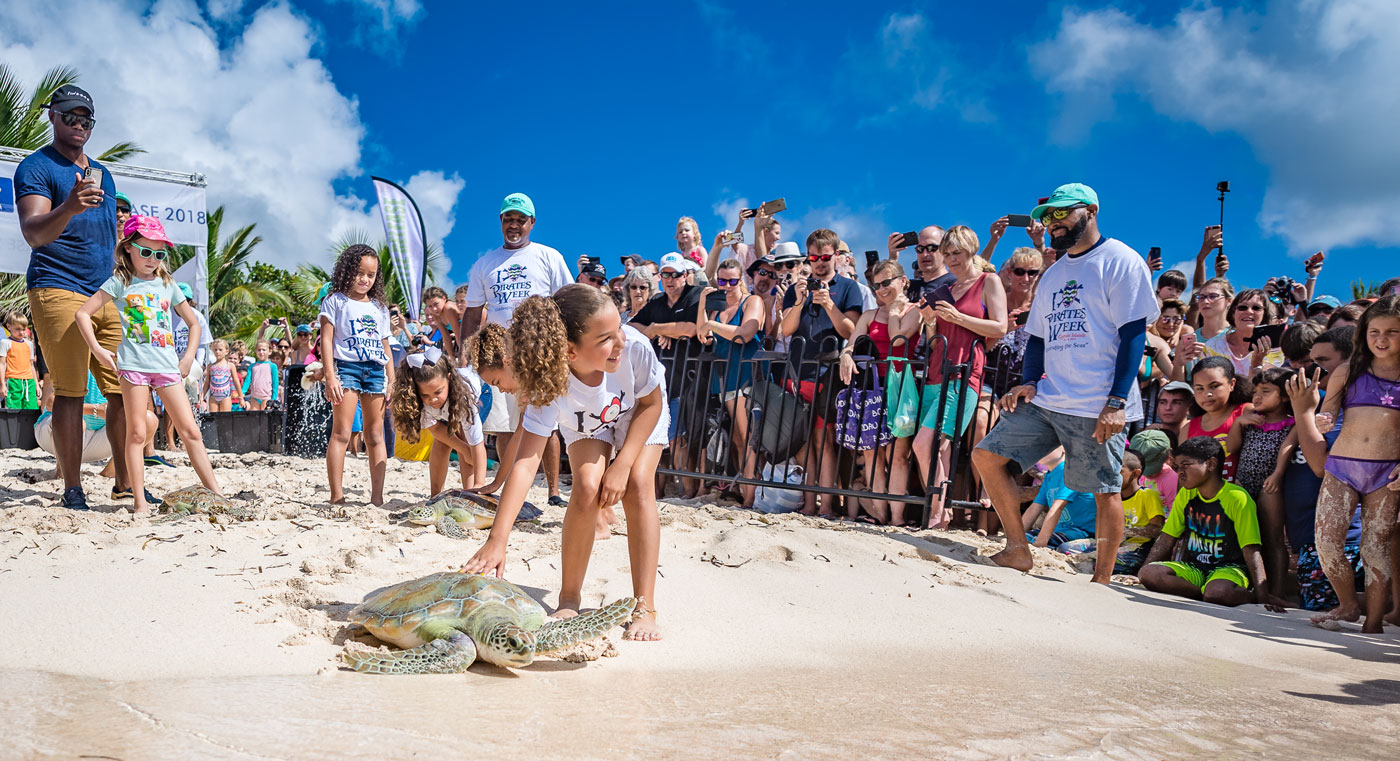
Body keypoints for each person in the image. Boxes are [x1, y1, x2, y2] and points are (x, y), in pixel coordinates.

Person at [972, 183, 1158, 585]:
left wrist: (1116, 401)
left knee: (1105, 489)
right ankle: (1018, 549)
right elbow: (1038, 336)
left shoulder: (1121, 261)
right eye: (1048, 216)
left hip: (1097, 402)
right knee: (987, 456)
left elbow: (1133, 337)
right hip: (1050, 396)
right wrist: (1027, 382)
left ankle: (1102, 581)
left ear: (1090, 210)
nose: (1053, 223)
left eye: (1062, 213)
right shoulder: (1053, 273)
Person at [462, 285, 666, 642]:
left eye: (619, 327)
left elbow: (651, 405)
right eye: (606, 337)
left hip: (639, 413)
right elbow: (525, 464)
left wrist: (622, 463)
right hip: (590, 424)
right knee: (587, 487)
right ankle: (569, 597)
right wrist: (498, 539)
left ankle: (644, 604)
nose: (620, 340)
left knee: (635, 483)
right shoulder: (548, 385)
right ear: (570, 351)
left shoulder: (633, 348)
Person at [14, 84, 136, 511]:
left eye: (87, 118)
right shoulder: (35, 167)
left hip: (105, 292)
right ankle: (73, 487)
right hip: (57, 285)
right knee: (70, 390)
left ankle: (126, 483)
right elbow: (34, 234)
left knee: (126, 387)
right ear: (53, 117)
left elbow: (109, 239)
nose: (80, 124)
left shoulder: (103, 172)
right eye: (71, 116)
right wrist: (68, 206)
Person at [73, 215, 219, 516]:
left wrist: (189, 357)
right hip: (133, 368)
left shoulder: (168, 283)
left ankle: (216, 493)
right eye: (146, 251)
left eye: (160, 253)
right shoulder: (120, 282)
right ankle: (138, 502)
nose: (153, 259)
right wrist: (98, 350)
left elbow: (194, 324)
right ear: (128, 248)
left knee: (190, 430)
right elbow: (82, 315)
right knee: (137, 434)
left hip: (167, 368)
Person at [462, 193, 571, 508]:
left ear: (531, 223)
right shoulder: (485, 263)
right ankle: (508, 486)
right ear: (500, 222)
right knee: (505, 426)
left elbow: (567, 299)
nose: (514, 225)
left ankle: (553, 490)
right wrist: (467, 353)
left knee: (542, 423)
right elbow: (472, 311)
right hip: (498, 359)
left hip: (538, 353)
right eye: (508, 219)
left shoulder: (549, 256)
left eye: (520, 219)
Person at [1311, 295, 1400, 633]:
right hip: (1342, 467)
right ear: (1363, 333)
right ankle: (1348, 604)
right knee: (1327, 540)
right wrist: (1323, 419)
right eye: (1374, 331)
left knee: (1375, 548)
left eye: (1393, 332)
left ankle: (1374, 623)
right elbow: (1329, 410)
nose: (1381, 339)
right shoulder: (1348, 371)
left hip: (1385, 472)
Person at [912, 226, 1007, 529]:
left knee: (924, 443)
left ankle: (940, 510)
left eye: (957, 253)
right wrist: (929, 322)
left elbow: (1000, 328)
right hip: (937, 372)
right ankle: (940, 513)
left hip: (965, 373)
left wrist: (959, 317)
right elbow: (933, 338)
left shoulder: (988, 282)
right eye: (947, 253)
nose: (951, 259)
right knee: (936, 446)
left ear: (971, 253)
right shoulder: (946, 290)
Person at [779, 228, 865, 517]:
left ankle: (825, 504)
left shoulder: (849, 288)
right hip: (798, 369)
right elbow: (786, 329)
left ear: (836, 256)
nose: (818, 262)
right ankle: (807, 502)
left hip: (828, 374)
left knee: (824, 441)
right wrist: (801, 302)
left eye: (824, 257)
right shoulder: (797, 288)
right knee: (802, 441)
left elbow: (849, 330)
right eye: (813, 257)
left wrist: (828, 303)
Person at [1138, 436, 1279, 607]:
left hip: (1229, 569)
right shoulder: (1186, 493)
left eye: (1186, 465)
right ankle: (1205, 593)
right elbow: (1167, 537)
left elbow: (1251, 549)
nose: (1179, 473)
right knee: (1149, 573)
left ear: (1211, 464)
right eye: (1177, 467)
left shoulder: (1237, 497)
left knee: (1218, 592)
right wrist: (1140, 576)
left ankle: (1245, 596)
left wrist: (1263, 597)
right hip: (1195, 568)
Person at [838, 260, 921, 523]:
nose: (881, 289)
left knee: (898, 455)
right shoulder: (868, 315)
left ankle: (896, 518)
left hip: (900, 386)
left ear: (903, 281)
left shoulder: (915, 310)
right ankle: (881, 516)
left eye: (887, 282)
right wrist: (846, 356)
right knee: (872, 455)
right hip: (871, 388)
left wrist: (895, 311)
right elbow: (851, 345)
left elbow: (900, 341)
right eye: (877, 285)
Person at [1281, 368, 1367, 613]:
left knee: (1328, 606)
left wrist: (1304, 412)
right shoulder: (1320, 411)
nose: (1308, 372)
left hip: (1347, 540)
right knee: (1316, 605)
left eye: (1322, 364)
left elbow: (1321, 466)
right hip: (1311, 540)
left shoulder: (1343, 415)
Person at [319, 244, 395, 506]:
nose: (365, 279)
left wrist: (392, 379)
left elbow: (385, 345)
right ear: (347, 270)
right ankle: (336, 496)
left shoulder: (379, 308)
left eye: (371, 275)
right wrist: (330, 376)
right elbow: (325, 341)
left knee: (375, 435)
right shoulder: (335, 301)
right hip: (346, 368)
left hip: (375, 370)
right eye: (360, 272)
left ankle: (377, 498)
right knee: (341, 432)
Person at [629, 252, 702, 496]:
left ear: (685, 276)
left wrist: (658, 329)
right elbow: (631, 326)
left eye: (675, 275)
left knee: (680, 438)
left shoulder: (695, 295)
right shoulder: (658, 301)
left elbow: (691, 329)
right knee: (657, 438)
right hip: (661, 381)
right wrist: (656, 331)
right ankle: (656, 493)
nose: (670, 280)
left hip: (690, 378)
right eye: (666, 275)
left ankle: (687, 492)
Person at [696, 258, 766, 506]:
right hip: (725, 379)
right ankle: (747, 492)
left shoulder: (752, 301)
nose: (727, 286)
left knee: (748, 438)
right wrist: (704, 303)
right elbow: (702, 335)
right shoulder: (716, 308)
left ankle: (751, 497)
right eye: (722, 280)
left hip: (747, 376)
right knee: (738, 438)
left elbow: (745, 335)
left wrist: (713, 324)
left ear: (742, 280)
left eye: (732, 281)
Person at [1226, 367, 1297, 598]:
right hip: (1245, 483)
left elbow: (1287, 447)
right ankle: (1252, 587)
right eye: (1255, 391)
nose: (1257, 397)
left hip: (1270, 485)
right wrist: (1238, 423)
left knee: (1273, 538)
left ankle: (1276, 592)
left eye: (1265, 391)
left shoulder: (1292, 423)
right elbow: (1232, 447)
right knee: (1244, 537)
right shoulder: (1251, 420)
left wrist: (1277, 474)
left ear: (1284, 396)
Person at [390, 345, 486, 494]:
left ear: (448, 378)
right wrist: (463, 449)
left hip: (478, 396)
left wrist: (480, 483)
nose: (433, 399)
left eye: (437, 392)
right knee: (443, 441)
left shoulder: (465, 396)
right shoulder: (419, 399)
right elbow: (435, 428)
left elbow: (477, 443)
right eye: (425, 395)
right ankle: (435, 494)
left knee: (464, 437)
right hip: (446, 409)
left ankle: (472, 491)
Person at [1060, 451, 1164, 574]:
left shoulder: (1147, 495)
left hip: (1135, 546)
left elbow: (1157, 529)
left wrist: (1126, 532)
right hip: (1110, 542)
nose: (1113, 477)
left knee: (1104, 564)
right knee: (1065, 548)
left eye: (1119, 472)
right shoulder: (1112, 496)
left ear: (1135, 473)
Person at [1185, 356, 1252, 481]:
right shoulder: (1188, 429)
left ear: (1232, 384)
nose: (1207, 394)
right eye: (1199, 388)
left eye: (1214, 386)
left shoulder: (1247, 412)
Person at [1023, 461, 1098, 550]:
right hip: (1060, 529)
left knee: (1060, 546)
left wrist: (1039, 546)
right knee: (1026, 537)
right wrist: (1017, 535)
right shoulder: (1049, 475)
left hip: (1083, 531)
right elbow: (1035, 507)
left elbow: (1057, 507)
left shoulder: (1072, 471)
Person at [888, 226, 954, 300]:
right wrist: (893, 258)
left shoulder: (955, 284)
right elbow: (887, 295)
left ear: (945, 249)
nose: (924, 254)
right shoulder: (910, 288)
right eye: (920, 249)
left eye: (931, 248)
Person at [1, 312, 40, 409]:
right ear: (9, 326)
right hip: (13, 381)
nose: (21, 332)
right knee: (13, 410)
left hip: (29, 381)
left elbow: (31, 365)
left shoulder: (29, 344)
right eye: (17, 329)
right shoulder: (5, 342)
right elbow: (2, 364)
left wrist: (36, 385)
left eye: (24, 329)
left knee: (31, 408)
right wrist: (2, 384)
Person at [240, 339, 280, 411]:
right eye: (259, 350)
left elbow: (275, 384)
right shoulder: (252, 366)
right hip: (254, 397)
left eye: (264, 350)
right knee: (255, 418)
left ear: (269, 351)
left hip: (267, 397)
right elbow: (247, 381)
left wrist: (273, 399)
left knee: (265, 419)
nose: (261, 352)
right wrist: (242, 393)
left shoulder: (273, 366)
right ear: (256, 351)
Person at [422, 286, 461, 360]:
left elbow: (458, 334)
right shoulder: (436, 314)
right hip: (463, 340)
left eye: (436, 304)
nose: (434, 309)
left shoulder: (448, 308)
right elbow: (446, 337)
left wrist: (464, 357)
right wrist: (452, 359)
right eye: (430, 306)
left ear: (444, 298)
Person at [203, 340, 238, 412]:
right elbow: (207, 382)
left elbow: (236, 381)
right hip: (213, 397)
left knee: (225, 418)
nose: (217, 352)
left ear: (226, 351)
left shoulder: (230, 365)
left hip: (225, 396)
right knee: (214, 418)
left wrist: (240, 396)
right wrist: (202, 396)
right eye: (215, 350)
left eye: (220, 350)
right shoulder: (211, 366)